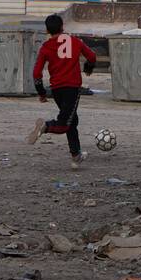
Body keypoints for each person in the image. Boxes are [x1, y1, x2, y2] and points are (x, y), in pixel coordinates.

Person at [28, 14, 96, 170]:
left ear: (47, 30)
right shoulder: (75, 41)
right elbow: (92, 56)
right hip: (72, 88)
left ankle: (76, 156)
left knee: (72, 121)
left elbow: (37, 73)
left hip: (57, 90)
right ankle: (45, 126)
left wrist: (42, 93)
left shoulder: (46, 47)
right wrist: (88, 68)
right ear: (62, 27)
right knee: (63, 125)